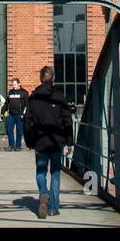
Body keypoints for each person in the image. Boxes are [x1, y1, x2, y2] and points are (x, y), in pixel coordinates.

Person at [23, 64, 74, 219]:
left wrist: (29, 141)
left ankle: (43, 193)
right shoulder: (59, 97)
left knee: (41, 172)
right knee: (56, 173)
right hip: (56, 142)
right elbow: (67, 120)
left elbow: (27, 122)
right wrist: (69, 142)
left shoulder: (33, 98)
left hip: (39, 141)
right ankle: (53, 207)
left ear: (41, 78)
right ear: (53, 79)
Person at [2, 78, 28, 151]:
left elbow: (27, 105)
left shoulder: (24, 92)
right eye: (13, 85)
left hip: (20, 115)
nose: (14, 86)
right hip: (11, 115)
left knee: (19, 131)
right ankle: (11, 145)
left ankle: (18, 146)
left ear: (19, 84)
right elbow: (6, 103)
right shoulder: (10, 92)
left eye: (15, 84)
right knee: (9, 130)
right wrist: (3, 112)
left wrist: (23, 114)